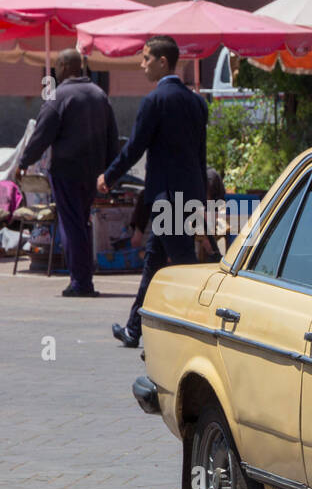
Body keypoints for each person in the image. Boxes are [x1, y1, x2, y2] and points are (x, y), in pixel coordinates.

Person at [99, 35, 208, 348]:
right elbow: (200, 156)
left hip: (167, 198)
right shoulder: (196, 102)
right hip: (188, 195)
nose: (142, 64)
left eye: (146, 58)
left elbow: (135, 147)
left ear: (163, 62)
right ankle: (135, 329)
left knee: (184, 264)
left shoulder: (154, 101)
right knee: (154, 264)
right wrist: (203, 199)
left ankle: (200, 330)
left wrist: (109, 175)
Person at [17, 48, 118, 297]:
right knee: (81, 224)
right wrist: (111, 172)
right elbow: (112, 138)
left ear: (62, 67)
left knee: (72, 226)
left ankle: (81, 282)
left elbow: (41, 134)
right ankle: (84, 277)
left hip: (67, 172)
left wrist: (23, 162)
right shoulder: (99, 95)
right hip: (94, 173)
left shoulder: (58, 96)